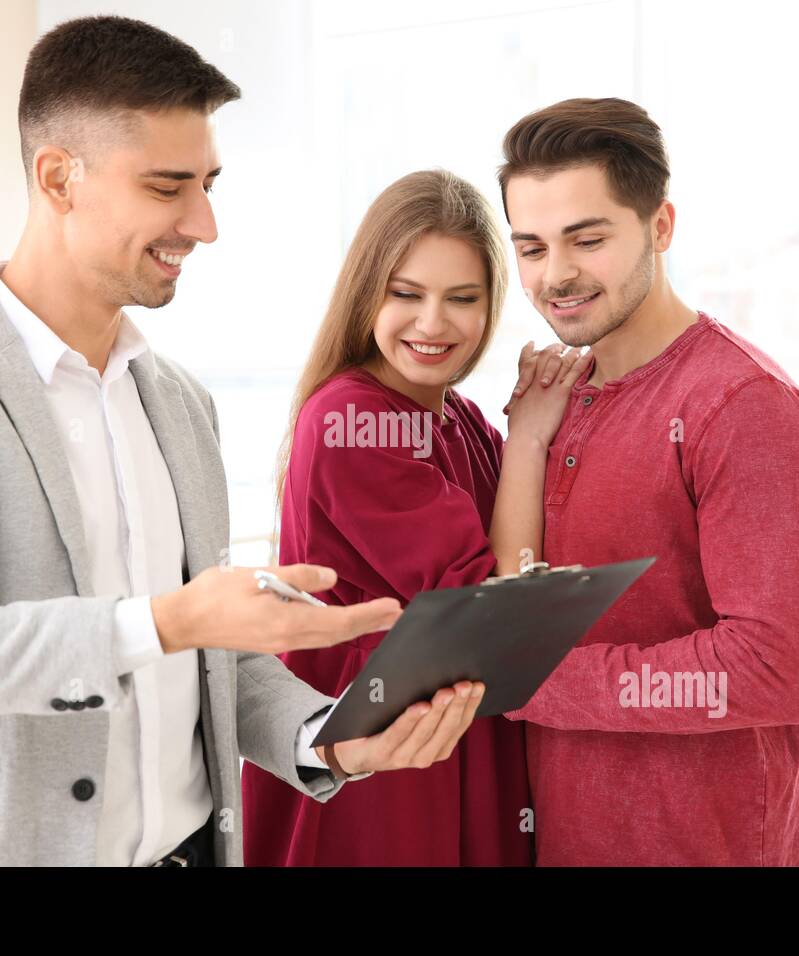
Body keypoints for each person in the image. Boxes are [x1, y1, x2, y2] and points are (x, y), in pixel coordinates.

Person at [0, 15, 483, 868]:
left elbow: (207, 664)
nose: (204, 223)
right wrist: (164, 621)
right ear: (59, 178)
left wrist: (326, 739)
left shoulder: (182, 405)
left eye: (209, 184)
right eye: (167, 187)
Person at [494, 97, 799, 865]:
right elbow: (523, 603)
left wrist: (531, 679)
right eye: (531, 247)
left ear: (660, 226)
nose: (556, 274)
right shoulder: (559, 399)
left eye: (588, 239)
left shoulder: (746, 406)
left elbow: (774, 670)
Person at [241, 169, 588, 865]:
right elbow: (494, 605)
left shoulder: (460, 417)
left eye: (462, 298)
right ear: (367, 292)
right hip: (380, 742)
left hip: (452, 727)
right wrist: (527, 437)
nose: (433, 324)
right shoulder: (348, 419)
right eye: (406, 294)